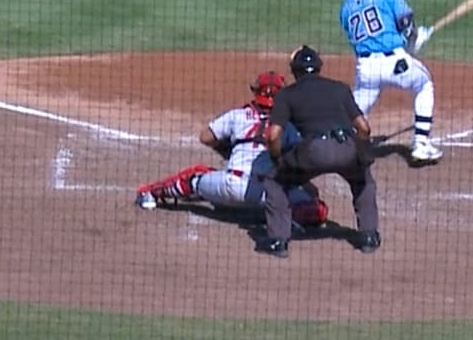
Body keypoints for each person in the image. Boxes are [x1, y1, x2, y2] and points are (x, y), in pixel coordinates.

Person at [135, 71, 330, 228]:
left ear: (256, 92)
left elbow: (206, 137)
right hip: (266, 194)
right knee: (316, 207)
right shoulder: (287, 124)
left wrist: (227, 150)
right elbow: (297, 159)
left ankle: (150, 193)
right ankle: (284, 214)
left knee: (194, 176)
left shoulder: (238, 115)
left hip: (230, 186)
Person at [256, 45, 378, 258]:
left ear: (295, 71)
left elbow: (273, 135)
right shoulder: (340, 88)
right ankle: (369, 236)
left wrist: (278, 160)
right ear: (319, 68)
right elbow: (364, 128)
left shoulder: (286, 95)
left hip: (313, 152)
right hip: (347, 147)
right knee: (363, 180)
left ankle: (278, 241)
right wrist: (362, 153)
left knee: (275, 181)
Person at [338, 0, 443, 165]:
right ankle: (421, 144)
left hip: (366, 69)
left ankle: (337, 146)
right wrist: (416, 39)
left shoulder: (345, 9)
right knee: (424, 85)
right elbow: (407, 27)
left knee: (355, 111)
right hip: (395, 64)